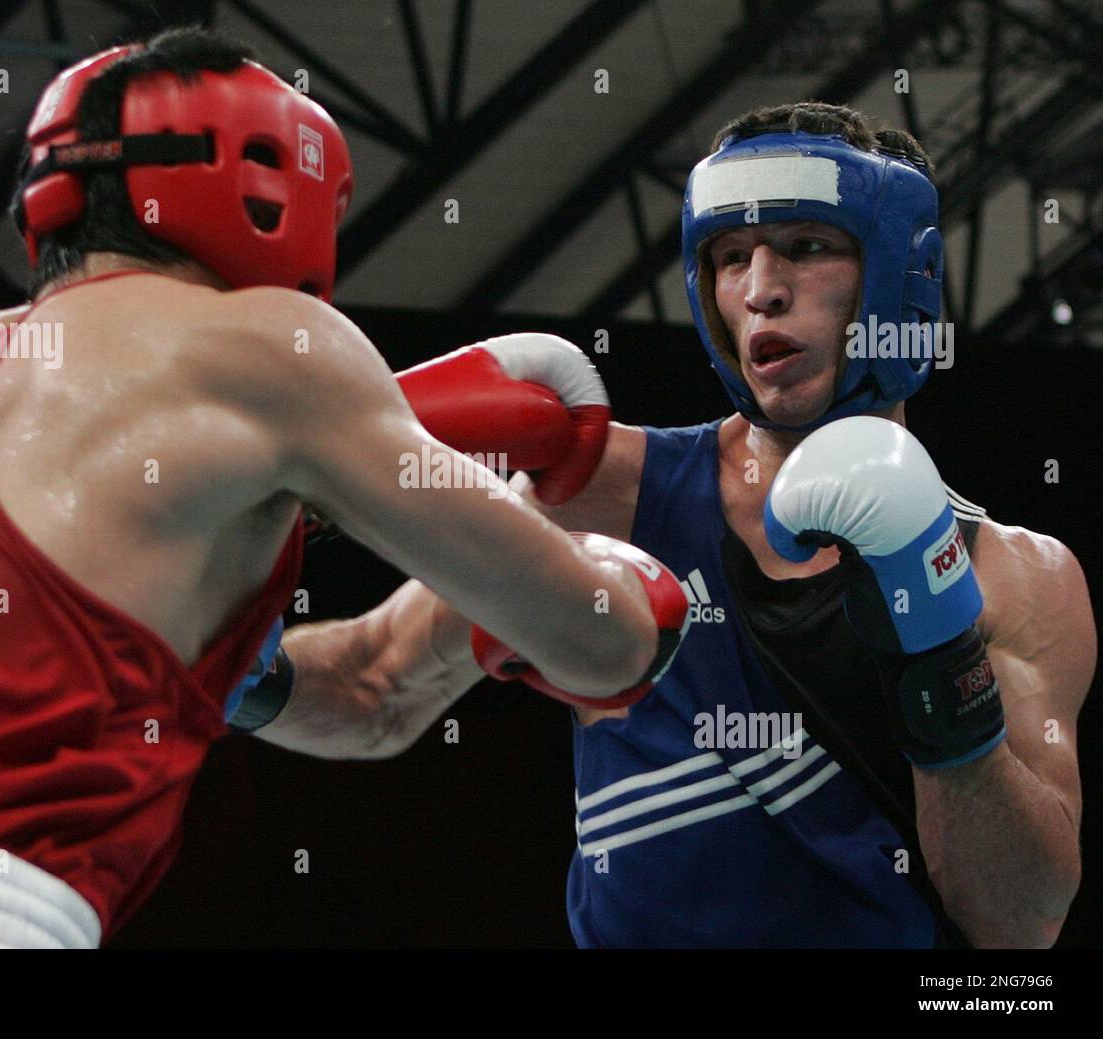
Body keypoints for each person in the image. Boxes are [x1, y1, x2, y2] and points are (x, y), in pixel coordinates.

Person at [0, 28, 690, 949]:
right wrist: (613, 586)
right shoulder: (274, 344)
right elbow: (605, 644)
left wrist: (436, 629)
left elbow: (365, 694)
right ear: (267, 184)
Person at [284, 103, 1094, 947]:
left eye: (808, 247)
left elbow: (1016, 921)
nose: (760, 288)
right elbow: (371, 684)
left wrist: (937, 643)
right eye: (731, 257)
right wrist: (200, 653)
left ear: (900, 274)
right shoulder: (600, 495)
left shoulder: (1017, 574)